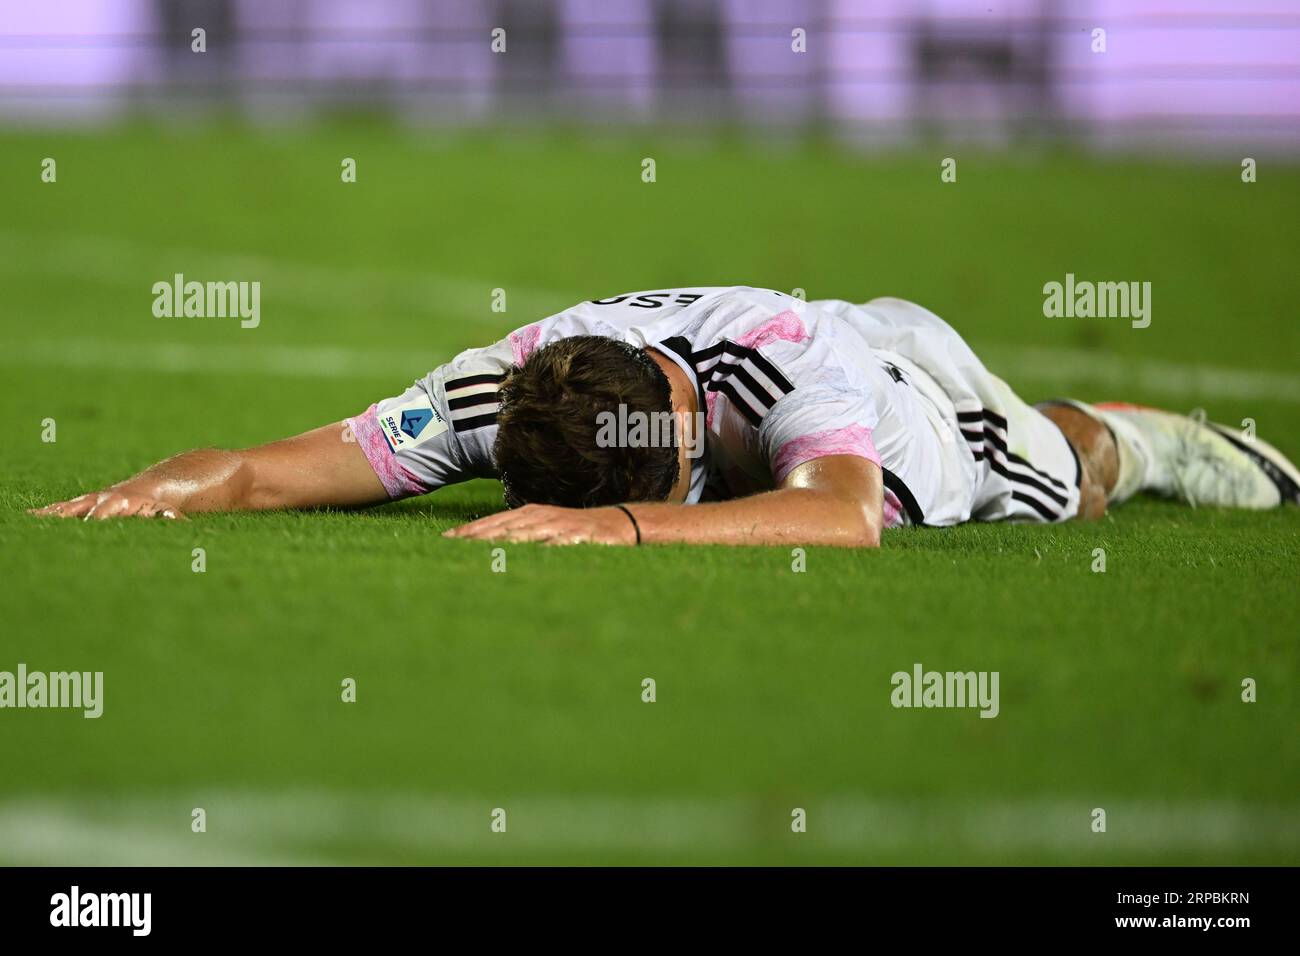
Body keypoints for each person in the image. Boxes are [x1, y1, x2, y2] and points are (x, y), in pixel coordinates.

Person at [31, 287, 1299, 547]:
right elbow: (261, 471)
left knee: (1063, 486)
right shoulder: (496, 391)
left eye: (672, 476)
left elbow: (845, 516)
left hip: (904, 390)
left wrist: (632, 526)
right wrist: (159, 489)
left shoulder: (781, 368)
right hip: (820, 394)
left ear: (686, 415)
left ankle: (1145, 435)